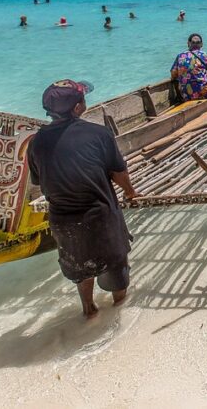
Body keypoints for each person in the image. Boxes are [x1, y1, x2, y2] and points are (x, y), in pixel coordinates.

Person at [27, 80, 141, 319]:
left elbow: (38, 181)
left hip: (63, 221)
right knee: (115, 269)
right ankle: (119, 314)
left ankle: (88, 311)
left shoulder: (36, 142)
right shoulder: (98, 133)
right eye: (82, 99)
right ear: (78, 108)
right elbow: (118, 173)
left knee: (81, 267)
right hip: (100, 216)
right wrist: (130, 193)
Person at [172, 33, 207, 100]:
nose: (195, 44)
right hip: (202, 93)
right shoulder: (204, 55)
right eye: (194, 42)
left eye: (197, 42)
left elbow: (173, 73)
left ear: (188, 43)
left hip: (185, 94)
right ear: (202, 44)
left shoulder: (180, 56)